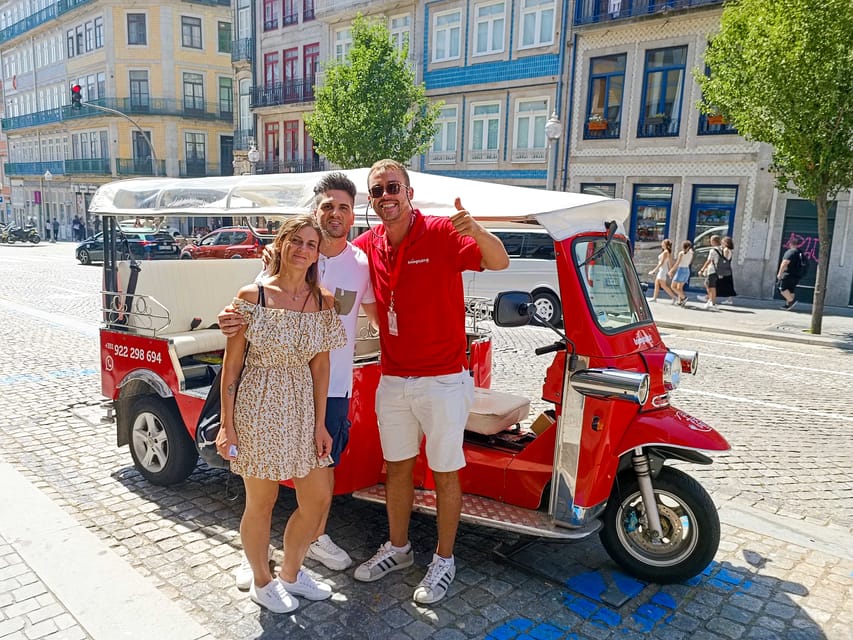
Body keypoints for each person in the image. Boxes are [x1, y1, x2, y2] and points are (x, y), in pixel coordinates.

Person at [351, 159, 509, 605]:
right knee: (397, 468)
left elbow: (498, 260)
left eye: (393, 187)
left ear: (409, 191)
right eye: (378, 191)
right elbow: (331, 260)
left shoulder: (442, 231)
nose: (386, 197)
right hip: (394, 379)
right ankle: (398, 549)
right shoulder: (369, 244)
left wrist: (475, 229)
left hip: (443, 379)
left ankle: (444, 559)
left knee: (444, 471)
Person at [219, 172, 377, 582]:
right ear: (315, 211)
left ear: (353, 213)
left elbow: (377, 314)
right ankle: (256, 562)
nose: (335, 214)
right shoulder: (277, 265)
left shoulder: (361, 263)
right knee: (263, 493)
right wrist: (228, 320)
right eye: (328, 206)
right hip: (265, 392)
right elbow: (247, 318)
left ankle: (308, 547)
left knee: (319, 487)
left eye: (343, 206)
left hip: (329, 390)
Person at [216, 214, 347, 614]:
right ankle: (262, 580)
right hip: (258, 405)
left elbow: (321, 367)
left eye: (312, 244)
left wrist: (321, 422)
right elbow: (232, 366)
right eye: (297, 241)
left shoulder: (323, 300)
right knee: (262, 501)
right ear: (283, 243)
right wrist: (227, 425)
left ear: (317, 253)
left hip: (302, 405)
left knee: (317, 499)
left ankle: (291, 572)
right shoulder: (252, 296)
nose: (304, 249)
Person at [777, 237, 805, 310]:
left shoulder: (791, 252)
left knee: (782, 289)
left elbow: (785, 262)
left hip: (788, 274)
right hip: (797, 275)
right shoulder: (800, 252)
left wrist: (780, 273)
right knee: (790, 290)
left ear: (791, 244)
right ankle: (788, 306)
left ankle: (791, 301)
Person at [696, 235, 722, 310]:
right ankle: (710, 300)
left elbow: (709, 260)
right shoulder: (721, 249)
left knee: (711, 286)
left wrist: (702, 269)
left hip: (712, 270)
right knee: (709, 285)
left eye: (710, 240)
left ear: (714, 241)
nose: (709, 241)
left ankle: (712, 302)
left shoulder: (713, 250)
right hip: (718, 270)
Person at [668, 240, 693, 306]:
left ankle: (684, 297)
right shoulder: (691, 253)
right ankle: (680, 301)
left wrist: (671, 270)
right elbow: (690, 262)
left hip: (681, 270)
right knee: (679, 288)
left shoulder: (681, 253)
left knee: (673, 286)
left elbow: (677, 263)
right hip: (687, 270)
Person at [715, 236, 737, 304]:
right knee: (728, 284)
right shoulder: (730, 250)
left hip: (724, 270)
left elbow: (724, 260)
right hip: (728, 269)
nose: (721, 243)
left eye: (723, 242)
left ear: (726, 243)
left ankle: (709, 297)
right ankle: (729, 300)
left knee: (716, 284)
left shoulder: (726, 250)